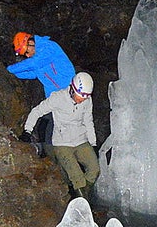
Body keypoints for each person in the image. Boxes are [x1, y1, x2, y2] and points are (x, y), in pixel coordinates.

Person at [22, 72, 100, 200]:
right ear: (72, 89)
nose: (82, 100)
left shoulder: (87, 101)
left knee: (94, 169)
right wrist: (27, 130)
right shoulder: (58, 98)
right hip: (62, 143)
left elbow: (88, 121)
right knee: (78, 178)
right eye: (80, 96)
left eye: (85, 97)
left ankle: (78, 196)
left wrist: (93, 143)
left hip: (81, 140)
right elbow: (37, 111)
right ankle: (83, 202)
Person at [7, 32, 76, 152]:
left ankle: (63, 157)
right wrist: (13, 73)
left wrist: (10, 69)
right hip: (54, 97)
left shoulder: (49, 47)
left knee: (63, 128)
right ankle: (48, 155)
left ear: (30, 43)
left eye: (26, 52)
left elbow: (33, 64)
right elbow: (33, 73)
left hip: (70, 93)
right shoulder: (38, 57)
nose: (27, 56)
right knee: (44, 126)